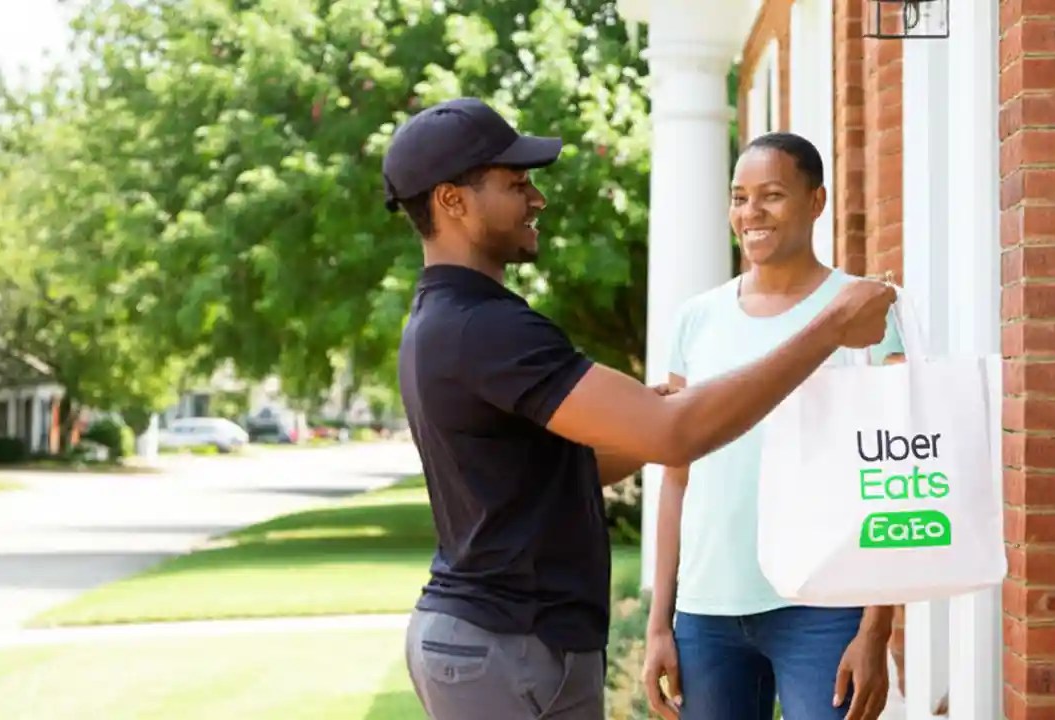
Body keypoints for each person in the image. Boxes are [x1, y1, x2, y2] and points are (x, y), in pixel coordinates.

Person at [381, 98, 897, 720]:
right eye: (516, 184)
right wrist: (829, 330)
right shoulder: (484, 330)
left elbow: (578, 463)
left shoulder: (451, 322)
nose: (537, 199)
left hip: (513, 640)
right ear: (452, 201)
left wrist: (648, 422)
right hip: (506, 643)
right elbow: (675, 438)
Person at [641, 131, 903, 720]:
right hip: (707, 614)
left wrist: (876, 627)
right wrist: (662, 620)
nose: (750, 213)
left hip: (825, 606)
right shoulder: (697, 319)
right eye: (739, 197)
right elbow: (676, 476)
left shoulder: (862, 310)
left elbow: (893, 469)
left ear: (817, 201)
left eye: (772, 195)